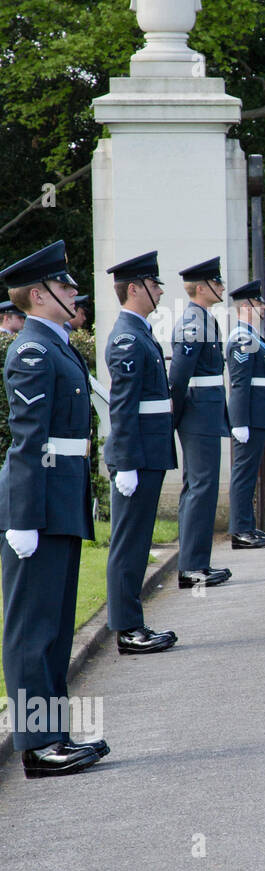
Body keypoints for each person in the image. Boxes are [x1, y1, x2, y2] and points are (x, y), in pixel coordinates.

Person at [0, 241, 103, 777]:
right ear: (39, 295)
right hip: (37, 506)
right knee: (32, 629)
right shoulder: (35, 349)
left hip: (59, 498)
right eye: (65, 287)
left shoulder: (56, 344)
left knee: (56, 628)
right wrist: (21, 518)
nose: (72, 294)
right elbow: (27, 441)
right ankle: (38, 746)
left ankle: (54, 734)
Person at [103, 251, 179, 655]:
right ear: (135, 288)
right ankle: (128, 629)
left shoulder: (140, 331)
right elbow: (124, 406)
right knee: (129, 543)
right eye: (154, 283)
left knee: (136, 539)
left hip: (149, 450)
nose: (161, 289)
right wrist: (127, 463)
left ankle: (133, 623)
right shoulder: (129, 336)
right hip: (138, 454)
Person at [170, 257, 234, 590]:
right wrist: (175, 416)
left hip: (203, 412)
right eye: (216, 282)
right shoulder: (194, 323)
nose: (222, 287)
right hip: (197, 413)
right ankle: (193, 566)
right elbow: (179, 377)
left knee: (201, 487)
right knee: (200, 487)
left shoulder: (204, 319)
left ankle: (197, 563)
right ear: (201, 288)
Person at [225, 280, 265, 549]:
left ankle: (248, 526)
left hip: (259, 415)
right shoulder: (243, 339)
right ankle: (240, 530)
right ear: (246, 306)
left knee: (250, 474)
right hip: (251, 417)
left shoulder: (253, 337)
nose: (263, 306)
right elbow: (239, 382)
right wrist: (240, 421)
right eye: (258, 302)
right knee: (244, 473)